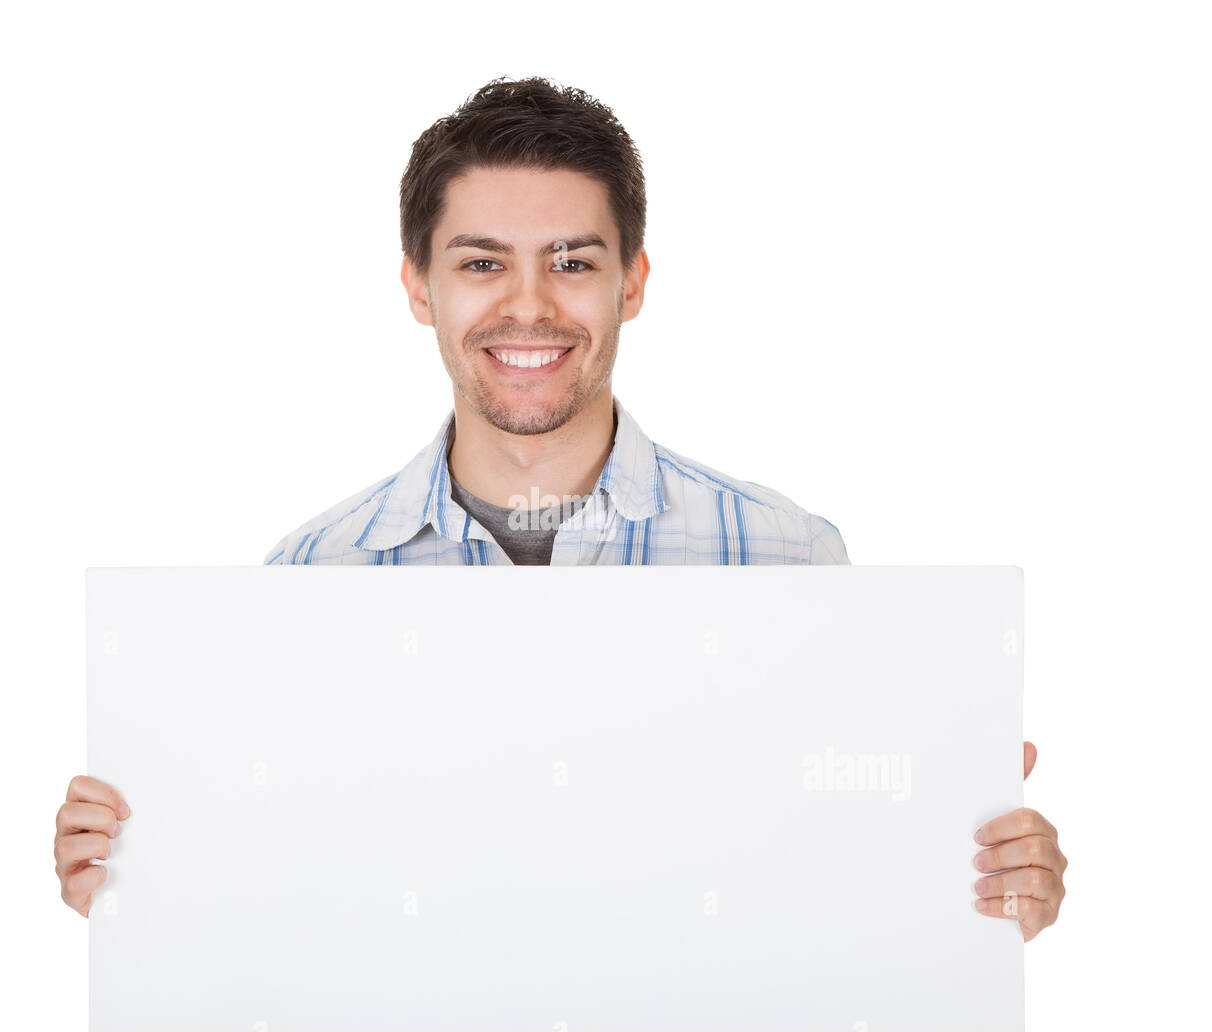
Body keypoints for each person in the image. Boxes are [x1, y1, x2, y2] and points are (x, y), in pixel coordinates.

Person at [56, 76, 1066, 941]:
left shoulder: (789, 556)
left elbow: (848, 886)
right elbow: (276, 894)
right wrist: (141, 878)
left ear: (631, 283)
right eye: (482, 262)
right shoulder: (307, 578)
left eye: (574, 262)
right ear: (419, 287)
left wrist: (974, 876)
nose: (529, 307)